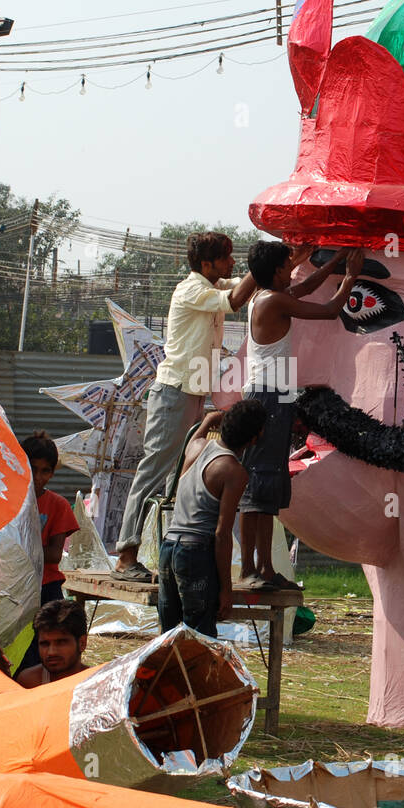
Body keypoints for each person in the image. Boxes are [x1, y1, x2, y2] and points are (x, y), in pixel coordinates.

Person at [114, 232, 257, 582]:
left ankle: (167, 556)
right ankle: (125, 557)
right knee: (153, 472)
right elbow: (236, 299)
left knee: (179, 478)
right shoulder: (191, 289)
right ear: (206, 264)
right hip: (175, 390)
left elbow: (243, 284)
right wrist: (262, 263)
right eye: (225, 258)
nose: (231, 263)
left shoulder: (212, 282)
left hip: (191, 392)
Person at [238, 242, 364, 590]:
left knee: (266, 483)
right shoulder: (274, 301)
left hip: (269, 395)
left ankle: (263, 569)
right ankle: (252, 570)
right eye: (288, 266)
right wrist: (350, 276)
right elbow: (328, 309)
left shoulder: (263, 298)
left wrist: (337, 259)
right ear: (278, 271)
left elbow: (306, 288)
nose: (291, 271)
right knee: (260, 485)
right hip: (268, 397)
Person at [158, 400, 267, 637]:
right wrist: (226, 590)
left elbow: (200, 429)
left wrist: (209, 419)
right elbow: (221, 533)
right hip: (195, 554)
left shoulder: (196, 447)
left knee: (167, 638)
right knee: (200, 638)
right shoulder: (233, 471)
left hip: (169, 548)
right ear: (255, 438)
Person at [15, 431, 80, 674]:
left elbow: (54, 555)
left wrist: (19, 546)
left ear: (53, 472)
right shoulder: (8, 499)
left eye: (45, 471)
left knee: (45, 646)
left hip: (45, 586)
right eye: (32, 469)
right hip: (15, 587)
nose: (38, 477)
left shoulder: (58, 505)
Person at [14, 599, 90, 689]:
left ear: (82, 643)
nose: (51, 652)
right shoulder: (29, 681)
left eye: (61, 643)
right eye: (44, 644)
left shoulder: (96, 684)